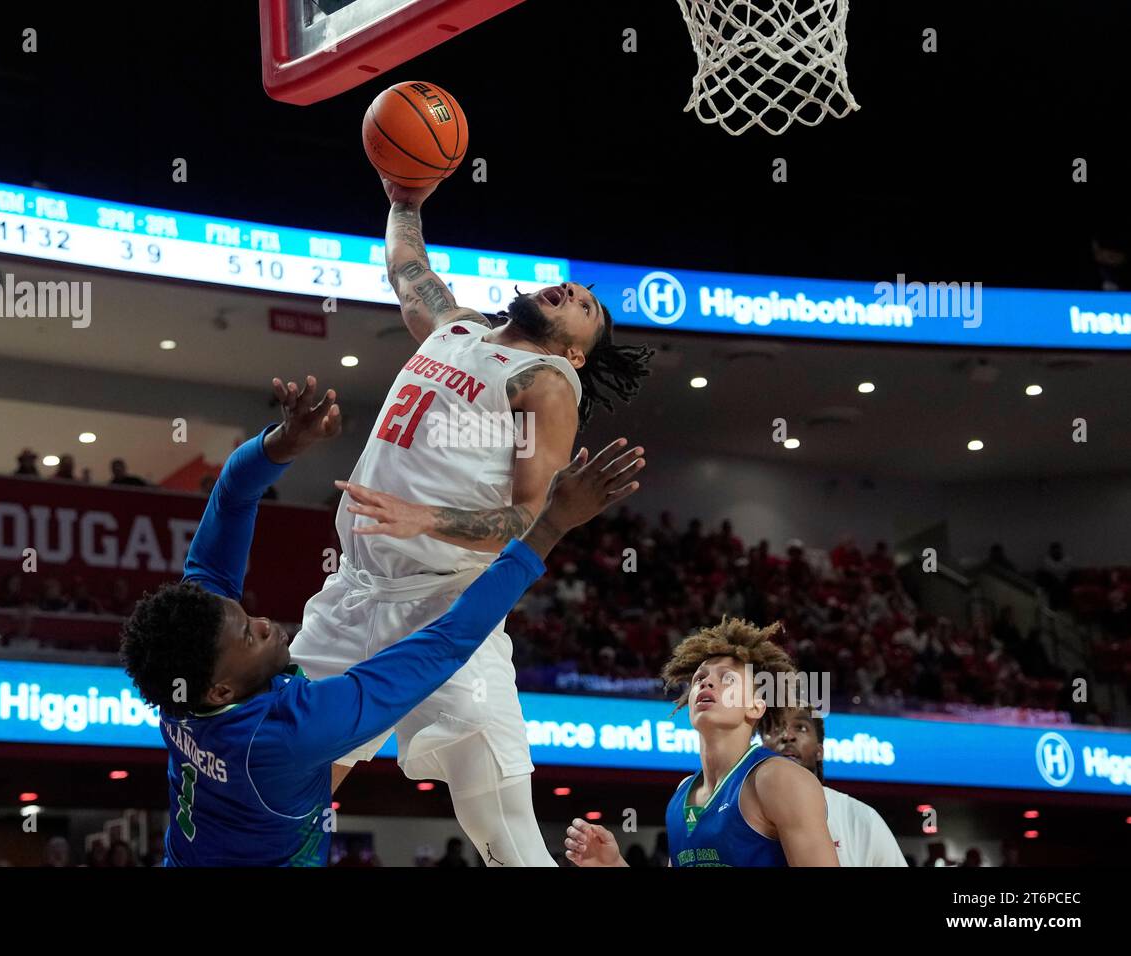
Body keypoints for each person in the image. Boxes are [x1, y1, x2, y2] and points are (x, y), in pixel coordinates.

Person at [119, 374, 643, 866]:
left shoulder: (187, 660)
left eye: (244, 614)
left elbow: (232, 494)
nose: (260, 621)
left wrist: (281, 444)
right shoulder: (290, 732)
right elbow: (445, 642)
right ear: (220, 689)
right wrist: (550, 525)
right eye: (248, 634)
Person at [287, 172, 653, 867]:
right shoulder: (457, 329)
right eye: (574, 288)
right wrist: (404, 199)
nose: (573, 293)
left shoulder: (546, 382)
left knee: (503, 832)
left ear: (576, 351)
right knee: (284, 784)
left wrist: (424, 516)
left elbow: (530, 516)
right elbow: (408, 268)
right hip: (353, 598)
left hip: (445, 612)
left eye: (585, 307)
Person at [565, 619, 838, 867]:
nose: (707, 684)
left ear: (755, 707)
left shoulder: (778, 779)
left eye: (727, 679)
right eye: (700, 678)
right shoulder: (682, 795)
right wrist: (613, 865)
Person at [764, 707, 906, 866]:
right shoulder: (735, 815)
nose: (787, 736)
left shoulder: (861, 819)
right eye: (776, 727)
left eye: (801, 728)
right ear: (761, 746)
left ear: (819, 752)